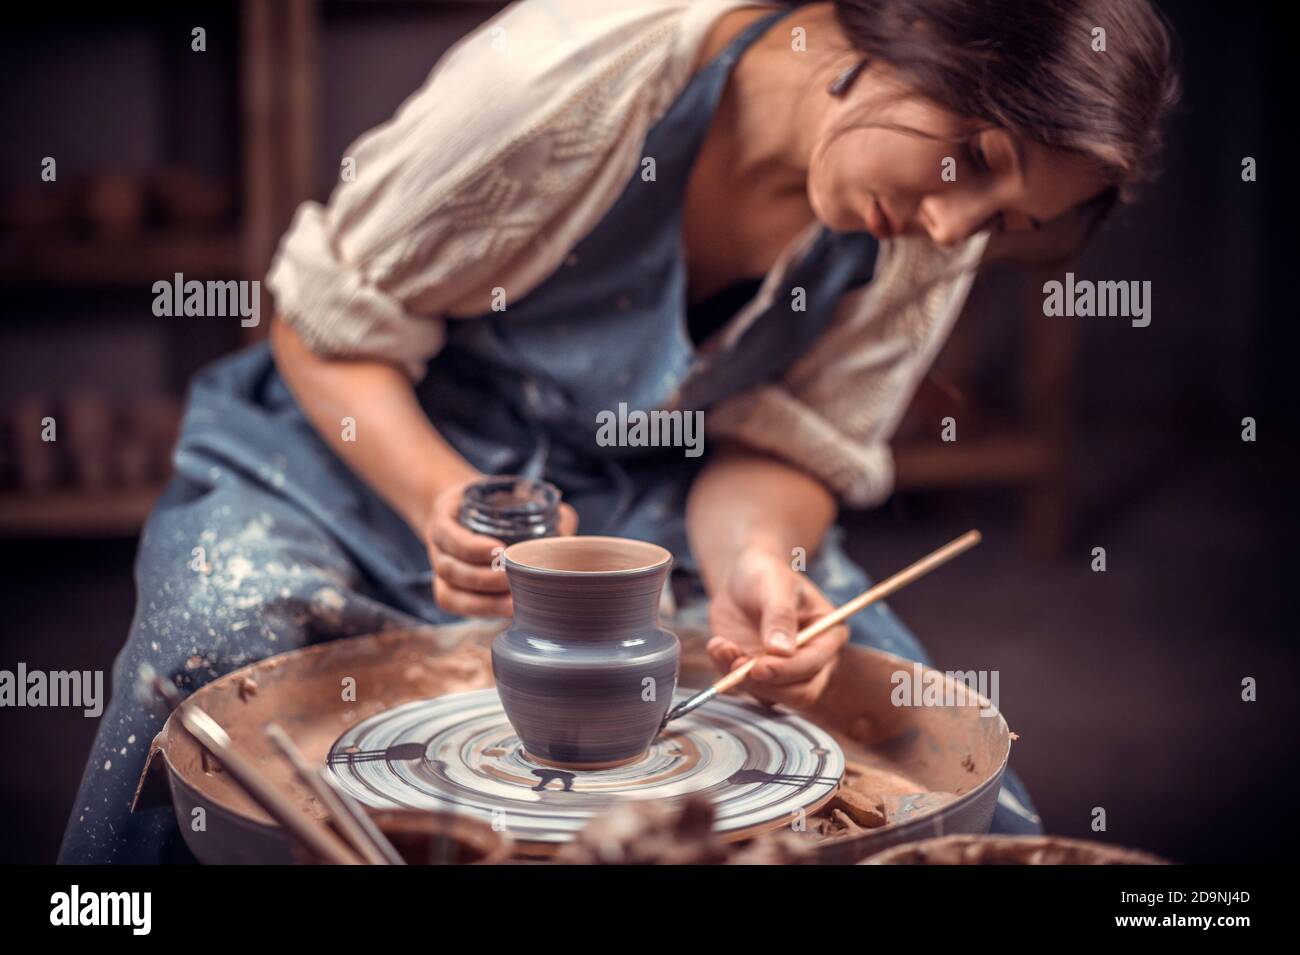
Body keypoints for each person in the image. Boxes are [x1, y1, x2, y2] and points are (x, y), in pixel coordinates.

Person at [60, 0, 1179, 863]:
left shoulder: (926, 235)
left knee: (916, 743)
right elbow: (317, 320)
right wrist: (432, 496)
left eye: (1005, 221)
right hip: (358, 441)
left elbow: (779, 449)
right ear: (915, 24)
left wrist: (754, 563)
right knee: (214, 647)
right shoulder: (566, 77)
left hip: (649, 491)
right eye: (972, 159)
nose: (950, 226)